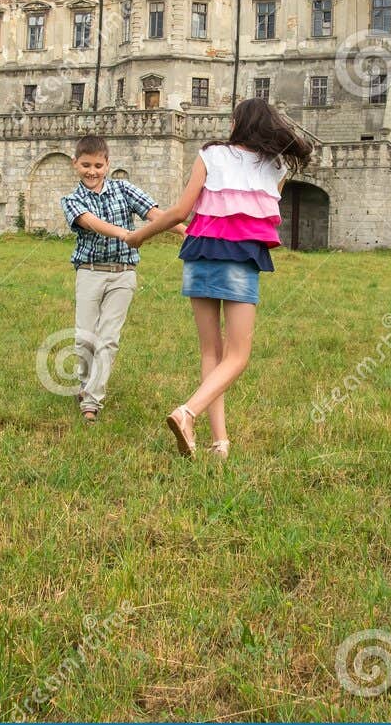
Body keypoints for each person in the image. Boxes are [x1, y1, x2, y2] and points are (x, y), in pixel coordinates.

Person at [126, 98, 313, 460]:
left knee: (211, 352)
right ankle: (187, 413)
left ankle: (220, 442)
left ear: (237, 125)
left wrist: (139, 237)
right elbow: (268, 202)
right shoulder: (275, 165)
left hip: (199, 256)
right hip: (240, 261)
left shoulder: (209, 154)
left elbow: (181, 211)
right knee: (238, 355)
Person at [59, 135, 179, 421]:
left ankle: (92, 402)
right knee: (84, 339)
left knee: (108, 338)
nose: (92, 171)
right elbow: (91, 222)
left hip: (123, 274)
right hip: (89, 272)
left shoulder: (124, 189)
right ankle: (85, 382)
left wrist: (186, 231)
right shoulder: (71, 199)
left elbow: (156, 215)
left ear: (107, 164)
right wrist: (127, 234)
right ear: (75, 164)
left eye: (98, 165)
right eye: (86, 165)